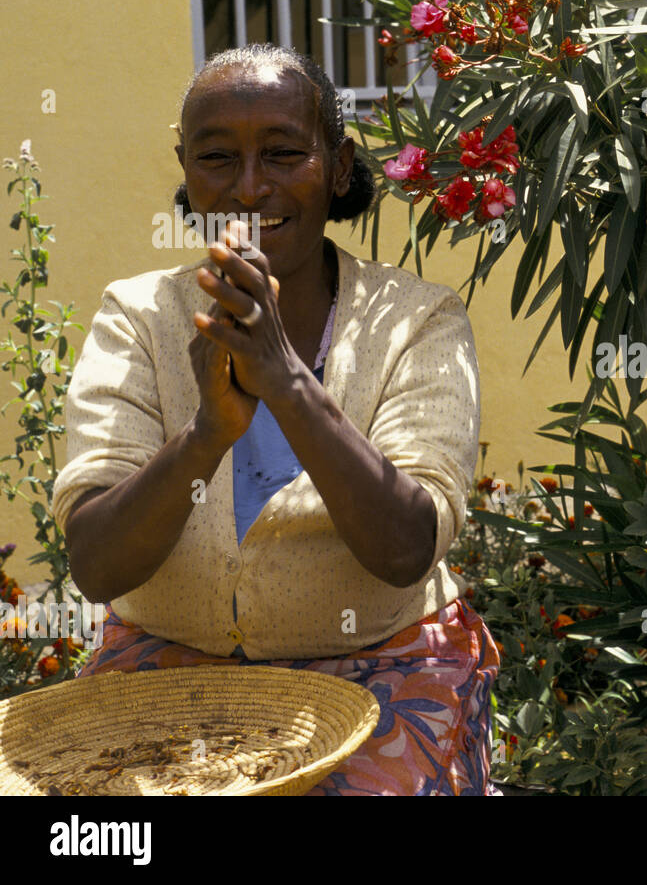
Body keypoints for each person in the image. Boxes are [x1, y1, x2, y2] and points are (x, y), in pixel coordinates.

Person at [51, 44, 498, 796]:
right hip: (171, 667)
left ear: (340, 165)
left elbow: (406, 546)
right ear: (186, 172)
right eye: (217, 158)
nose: (250, 189)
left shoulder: (417, 321)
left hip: (382, 664)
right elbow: (96, 564)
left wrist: (287, 379)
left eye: (285, 153)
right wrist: (204, 435)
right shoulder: (137, 318)